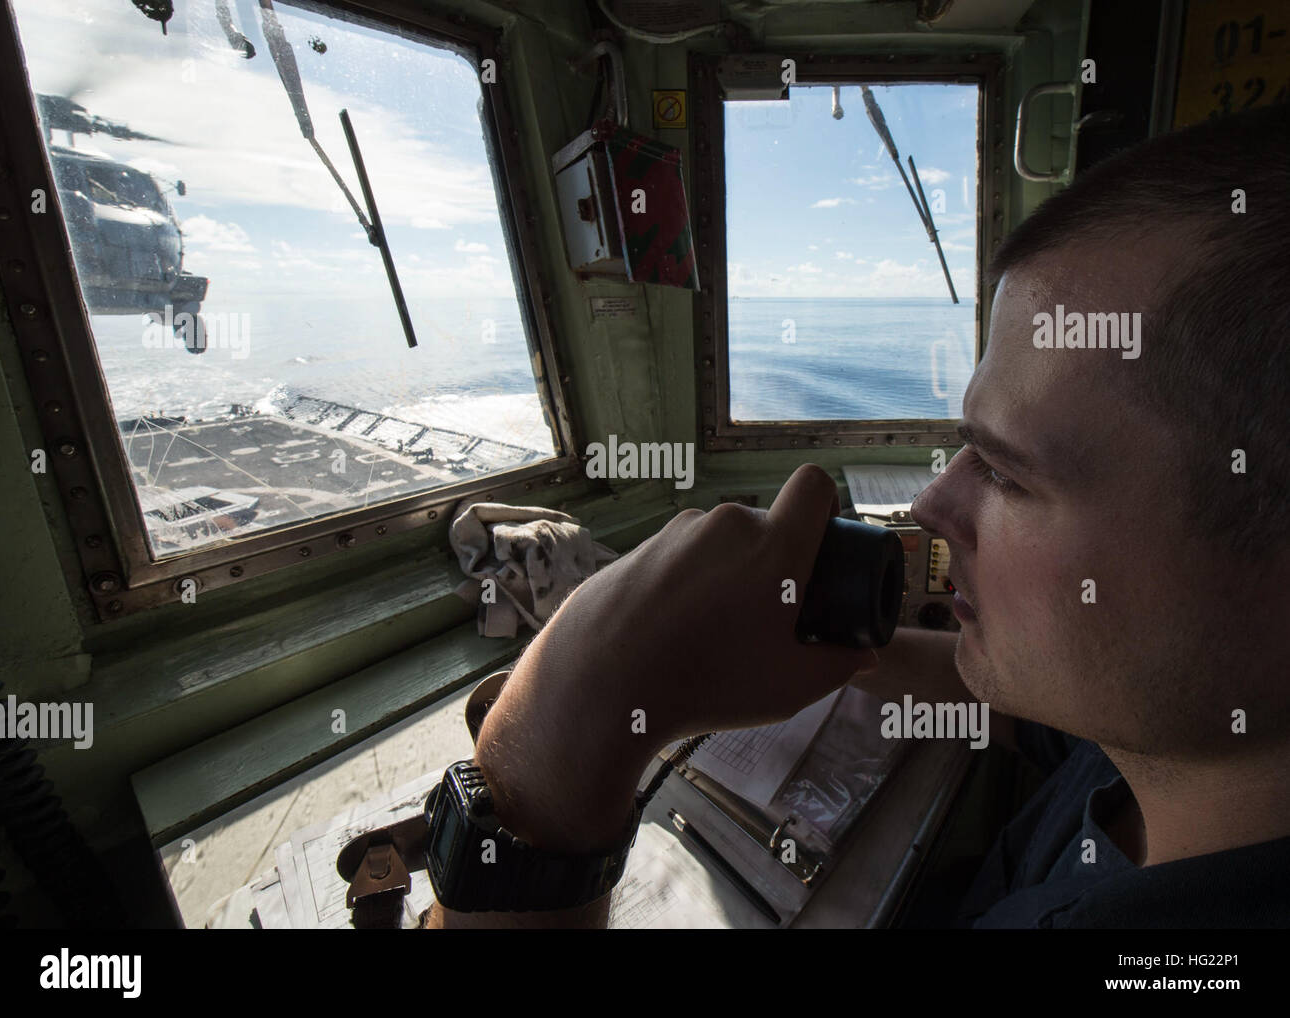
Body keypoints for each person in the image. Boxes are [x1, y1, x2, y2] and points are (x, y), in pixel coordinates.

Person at [427, 103, 1290, 929]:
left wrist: (560, 731)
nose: (932, 504)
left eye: (1008, 473)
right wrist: (849, 654)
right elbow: (1018, 703)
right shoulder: (1182, 733)